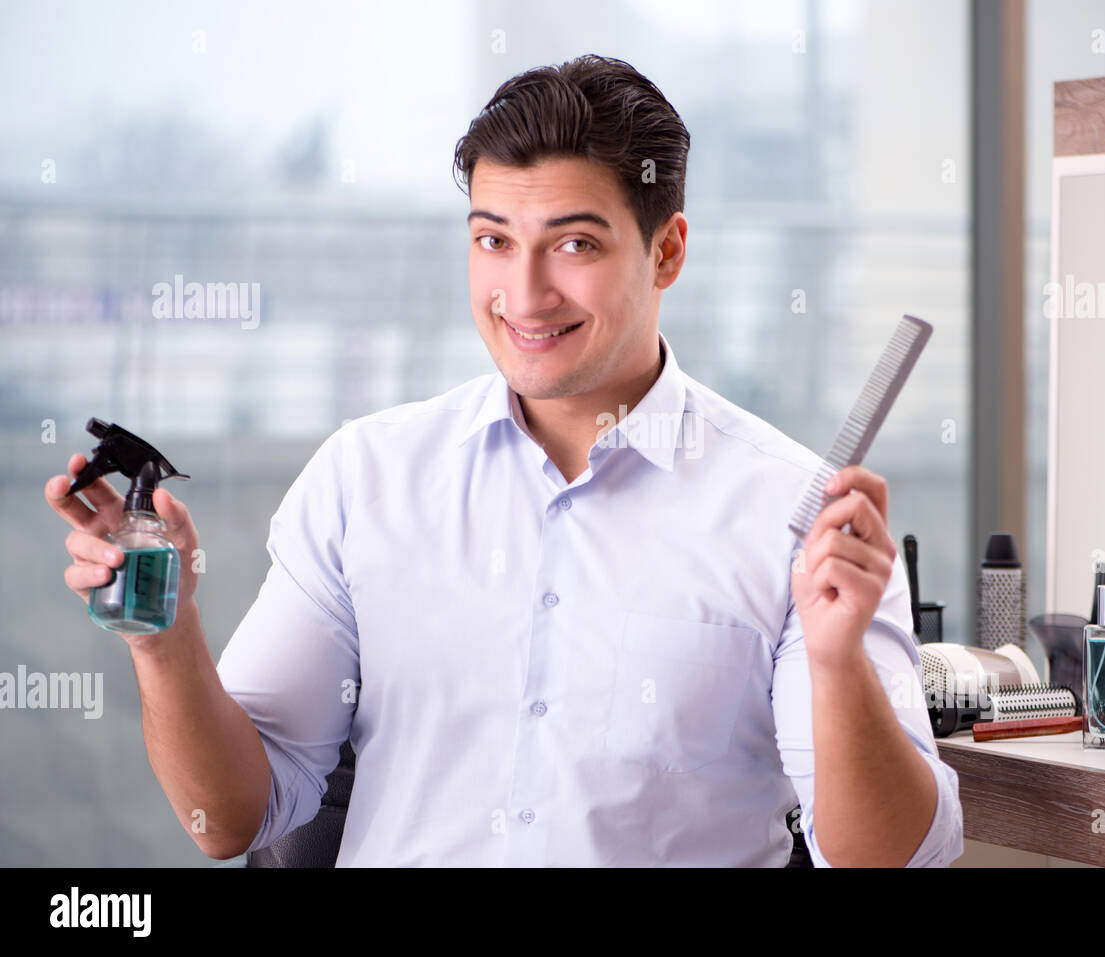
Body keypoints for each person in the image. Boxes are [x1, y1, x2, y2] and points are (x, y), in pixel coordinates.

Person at [45, 54, 962, 867]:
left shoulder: (793, 514)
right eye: (493, 241)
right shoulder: (366, 478)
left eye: (574, 243)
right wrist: (165, 644)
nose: (524, 294)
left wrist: (838, 667)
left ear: (668, 249)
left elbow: (885, 856)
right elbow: (229, 820)